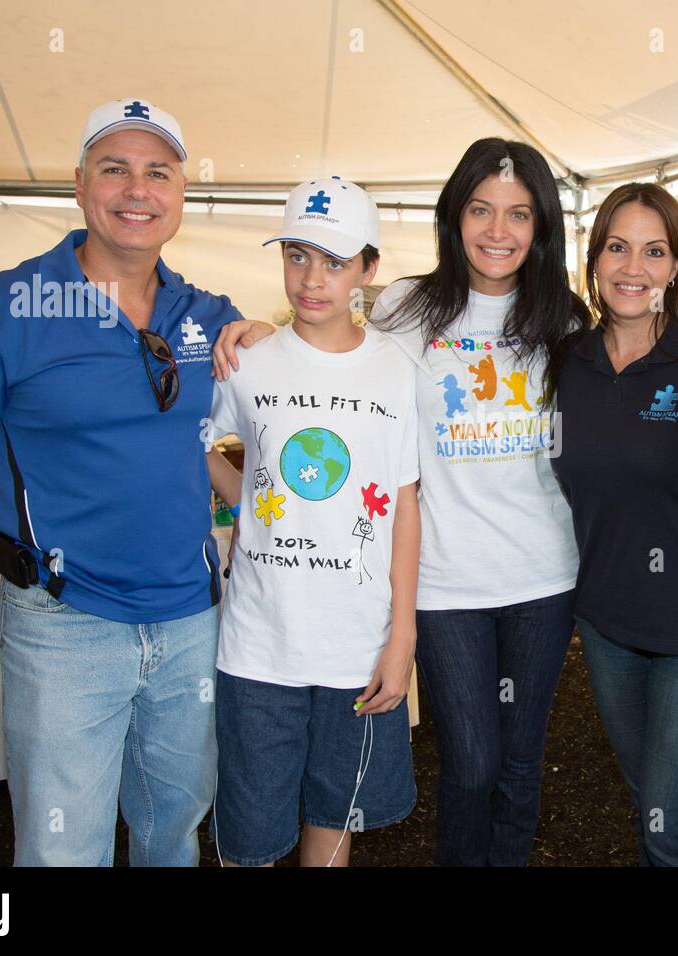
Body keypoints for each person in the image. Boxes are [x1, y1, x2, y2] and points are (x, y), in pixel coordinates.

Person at [213, 138, 587, 866]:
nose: (498, 230)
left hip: (545, 574)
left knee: (518, 763)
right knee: (472, 760)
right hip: (443, 580)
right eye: (480, 209)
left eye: (518, 213)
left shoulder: (565, 321)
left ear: (542, 225)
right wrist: (260, 332)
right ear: (454, 217)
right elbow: (327, 341)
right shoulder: (408, 309)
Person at [0, 99, 243, 865]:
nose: (137, 189)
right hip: (64, 624)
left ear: (181, 193)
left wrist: (279, 338)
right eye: (114, 168)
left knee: (173, 836)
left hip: (192, 621)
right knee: (62, 851)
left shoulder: (211, 318)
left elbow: (252, 432)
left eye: (159, 171)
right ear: (80, 185)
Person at [204, 177, 420, 867]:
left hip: (356, 646)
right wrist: (246, 499)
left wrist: (403, 639)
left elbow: (406, 505)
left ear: (368, 269)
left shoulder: (397, 372)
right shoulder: (247, 363)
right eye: (297, 255)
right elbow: (199, 444)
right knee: (252, 831)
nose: (312, 278)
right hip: (258, 646)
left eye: (334, 260)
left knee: (336, 812)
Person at [551, 183, 678, 866]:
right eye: (618, 247)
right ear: (595, 259)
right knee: (657, 802)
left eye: (654, 251)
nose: (633, 268)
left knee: (668, 823)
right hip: (606, 621)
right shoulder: (565, 361)